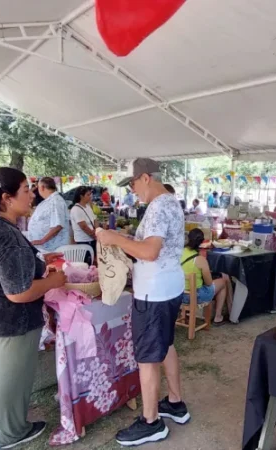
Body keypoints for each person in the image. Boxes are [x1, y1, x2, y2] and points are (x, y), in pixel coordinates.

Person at [0, 167, 67, 450]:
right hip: (8, 317)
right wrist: (53, 280)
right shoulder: (5, 235)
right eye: (26, 191)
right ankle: (12, 431)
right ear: (6, 198)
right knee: (13, 375)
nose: (31, 196)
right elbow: (19, 293)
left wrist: (38, 263)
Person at [99, 158, 188, 446]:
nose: (133, 190)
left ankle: (151, 422)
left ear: (146, 178)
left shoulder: (160, 205)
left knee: (147, 357)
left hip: (154, 292)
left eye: (134, 183)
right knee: (166, 345)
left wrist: (114, 237)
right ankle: (175, 403)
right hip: (169, 285)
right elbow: (152, 245)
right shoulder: (169, 201)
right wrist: (124, 238)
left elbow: (149, 252)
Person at [180, 229, 232, 324]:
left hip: (178, 295)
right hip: (195, 296)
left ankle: (185, 315)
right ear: (202, 243)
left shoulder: (178, 253)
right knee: (223, 282)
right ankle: (218, 316)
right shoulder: (200, 259)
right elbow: (208, 283)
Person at [28, 177, 70, 252]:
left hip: (52, 248)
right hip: (45, 248)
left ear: (42, 187)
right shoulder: (49, 200)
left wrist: (42, 240)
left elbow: (58, 226)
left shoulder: (56, 201)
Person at [69, 187, 99, 265]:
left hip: (92, 239)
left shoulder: (88, 206)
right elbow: (84, 227)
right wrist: (95, 235)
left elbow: (95, 220)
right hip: (83, 241)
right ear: (81, 196)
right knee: (86, 263)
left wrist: (97, 230)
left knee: (93, 261)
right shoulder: (76, 209)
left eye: (90, 194)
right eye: (88, 195)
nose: (90, 197)